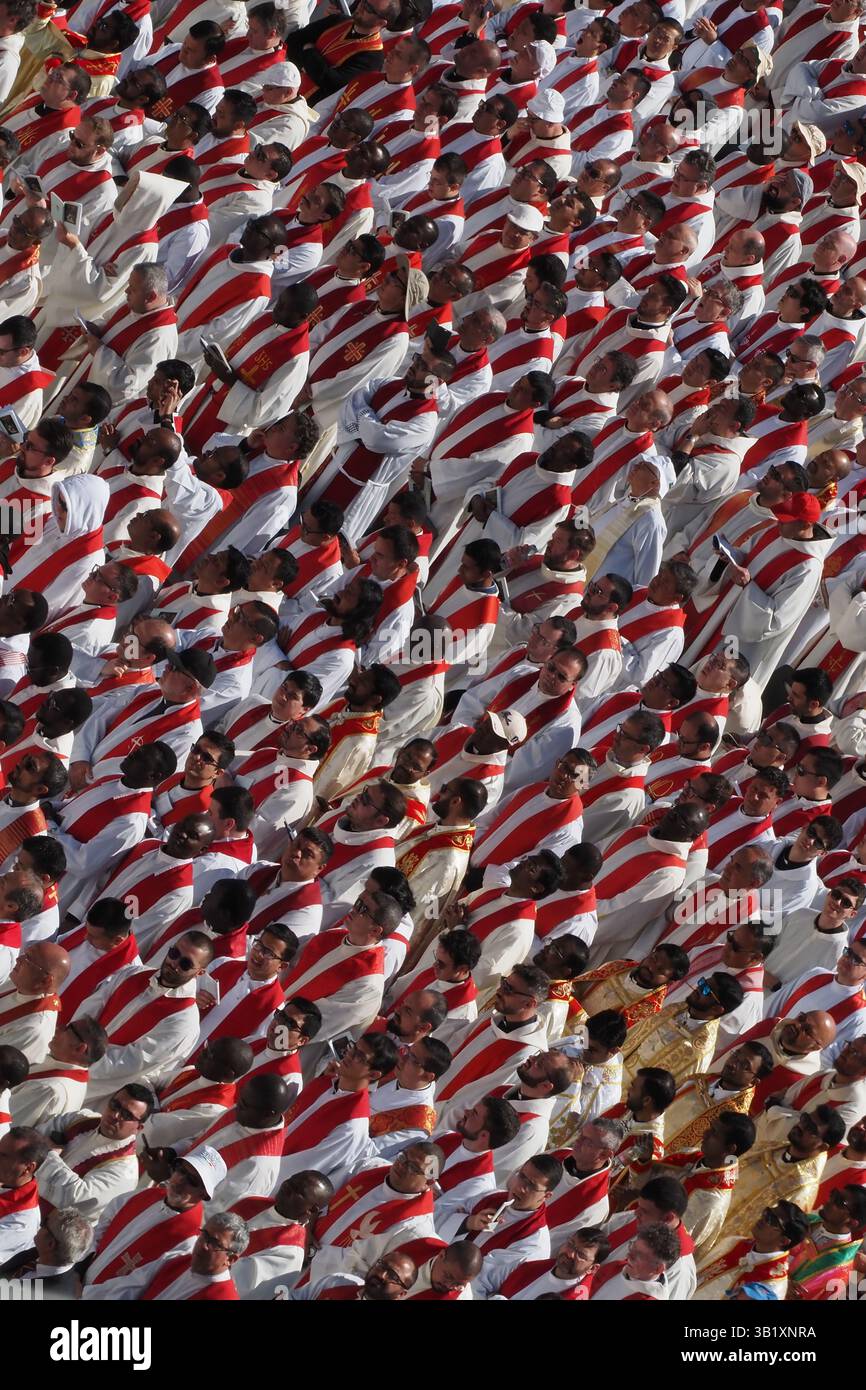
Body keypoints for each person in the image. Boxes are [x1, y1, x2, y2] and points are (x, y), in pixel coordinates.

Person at [81, 1146, 226, 1300]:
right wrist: (78, 1267)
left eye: (192, 1180)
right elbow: (103, 1224)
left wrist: (84, 1294)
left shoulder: (187, 1243)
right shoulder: (146, 1195)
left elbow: (138, 1286)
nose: (181, 1180)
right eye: (181, 1170)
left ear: (204, 1194)